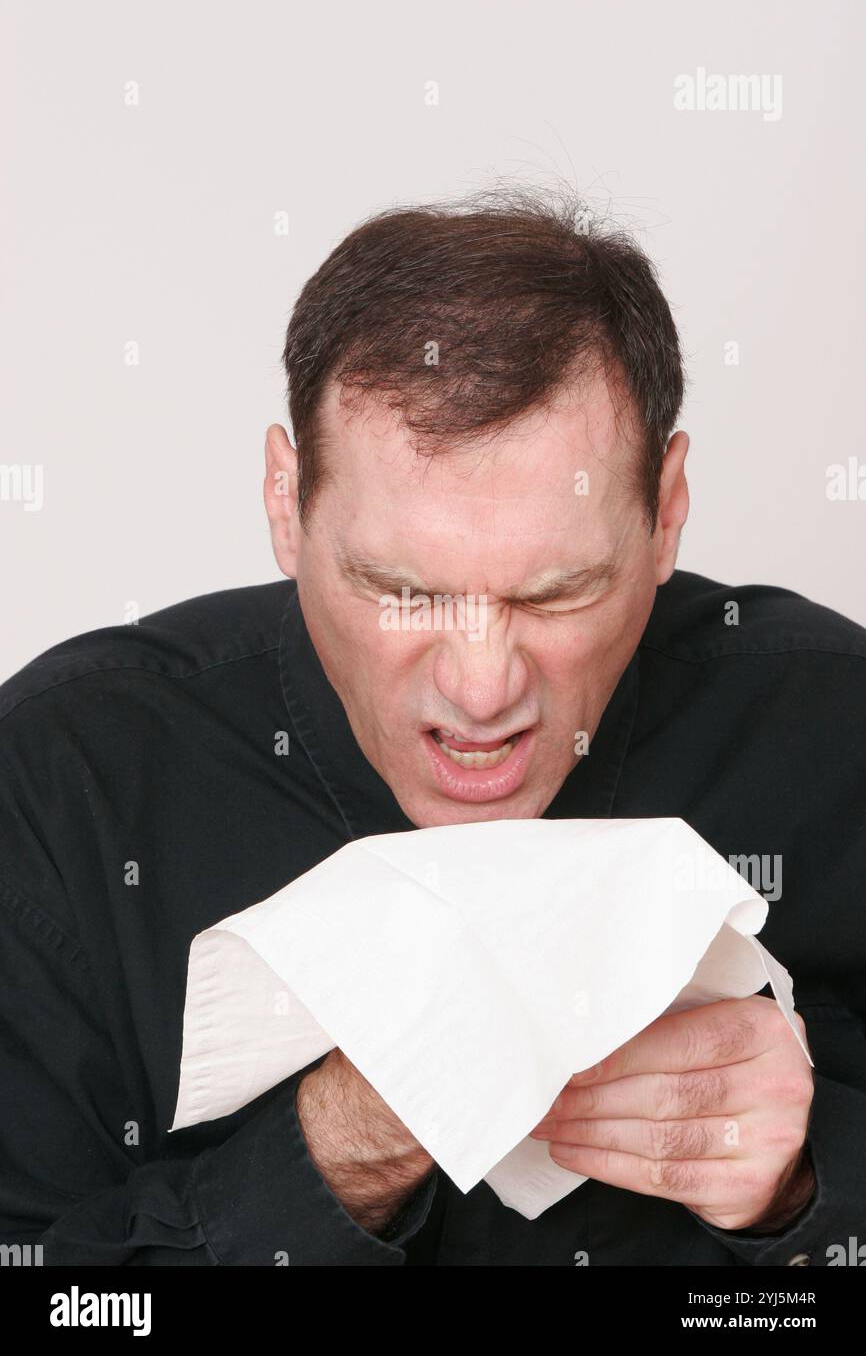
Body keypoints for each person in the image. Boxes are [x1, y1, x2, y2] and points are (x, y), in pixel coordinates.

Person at [1, 191, 863, 1267]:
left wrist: (811, 1190)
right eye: (397, 589)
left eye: (555, 594)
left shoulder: (832, 729)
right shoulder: (65, 781)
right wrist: (343, 1141)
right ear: (285, 501)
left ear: (666, 511)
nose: (480, 687)